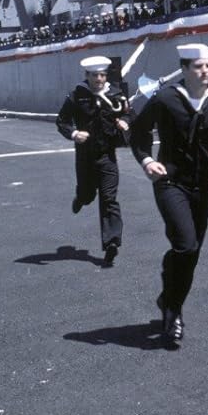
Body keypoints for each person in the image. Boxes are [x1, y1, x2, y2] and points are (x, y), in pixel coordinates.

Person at [129, 43, 208, 349]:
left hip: (203, 185)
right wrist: (146, 161)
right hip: (170, 182)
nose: (204, 71)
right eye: (197, 66)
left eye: (207, 65)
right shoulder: (166, 99)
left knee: (191, 253)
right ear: (184, 69)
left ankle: (169, 299)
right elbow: (137, 132)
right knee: (184, 244)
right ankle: (173, 312)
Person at [56, 55, 129, 268]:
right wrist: (74, 134)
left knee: (109, 198)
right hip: (85, 156)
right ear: (86, 76)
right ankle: (81, 198)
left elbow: (127, 113)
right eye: (95, 75)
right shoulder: (76, 95)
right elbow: (62, 121)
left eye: (102, 75)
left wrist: (124, 122)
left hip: (107, 155)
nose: (99, 79)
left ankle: (111, 243)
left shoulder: (115, 94)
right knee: (88, 194)